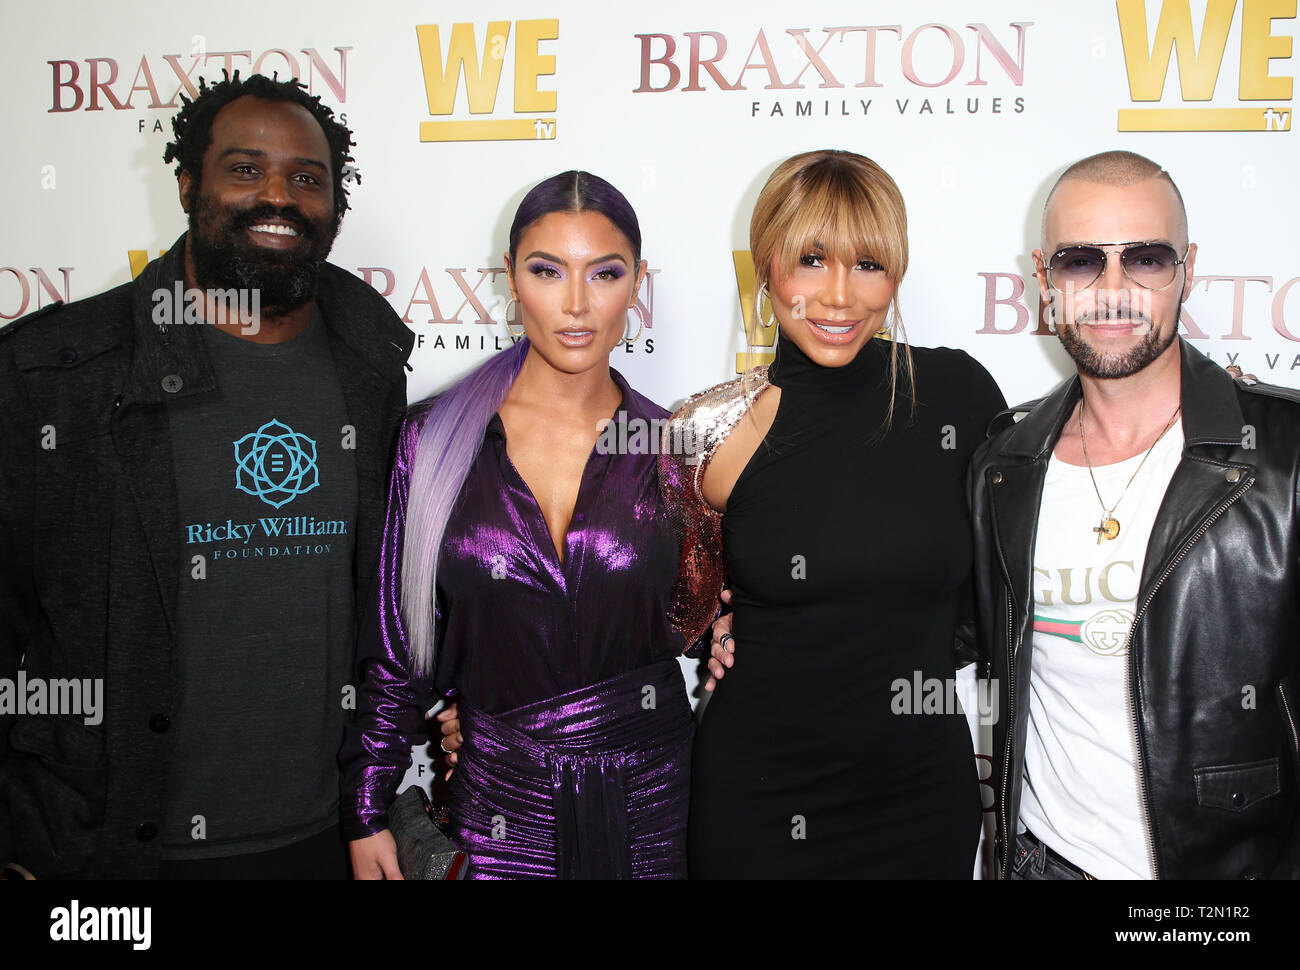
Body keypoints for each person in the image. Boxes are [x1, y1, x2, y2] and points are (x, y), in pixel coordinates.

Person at [0, 72, 413, 879]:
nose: (279, 197)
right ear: (189, 183)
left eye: (306, 178)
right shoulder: (57, 375)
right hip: (105, 851)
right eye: (245, 169)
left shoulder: (371, 363)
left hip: (324, 840)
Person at [340, 171, 695, 880]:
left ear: (637, 282)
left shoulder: (677, 450)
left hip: (656, 805)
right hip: (498, 806)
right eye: (546, 271)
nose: (575, 304)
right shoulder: (434, 442)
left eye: (605, 273)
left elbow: (723, 611)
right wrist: (367, 806)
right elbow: (393, 646)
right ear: (509, 277)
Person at [665, 149, 1006, 877]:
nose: (840, 296)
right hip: (755, 794)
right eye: (812, 260)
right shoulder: (707, 431)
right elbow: (653, 600)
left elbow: (1005, 580)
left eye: (869, 265)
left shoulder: (959, 396)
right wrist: (709, 636)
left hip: (919, 796)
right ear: (766, 264)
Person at [969, 149, 1300, 880]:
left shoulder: (1284, 458)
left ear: (1188, 268)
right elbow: (938, 621)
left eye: (1145, 259)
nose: (1112, 292)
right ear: (1044, 278)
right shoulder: (1005, 466)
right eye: (1081, 261)